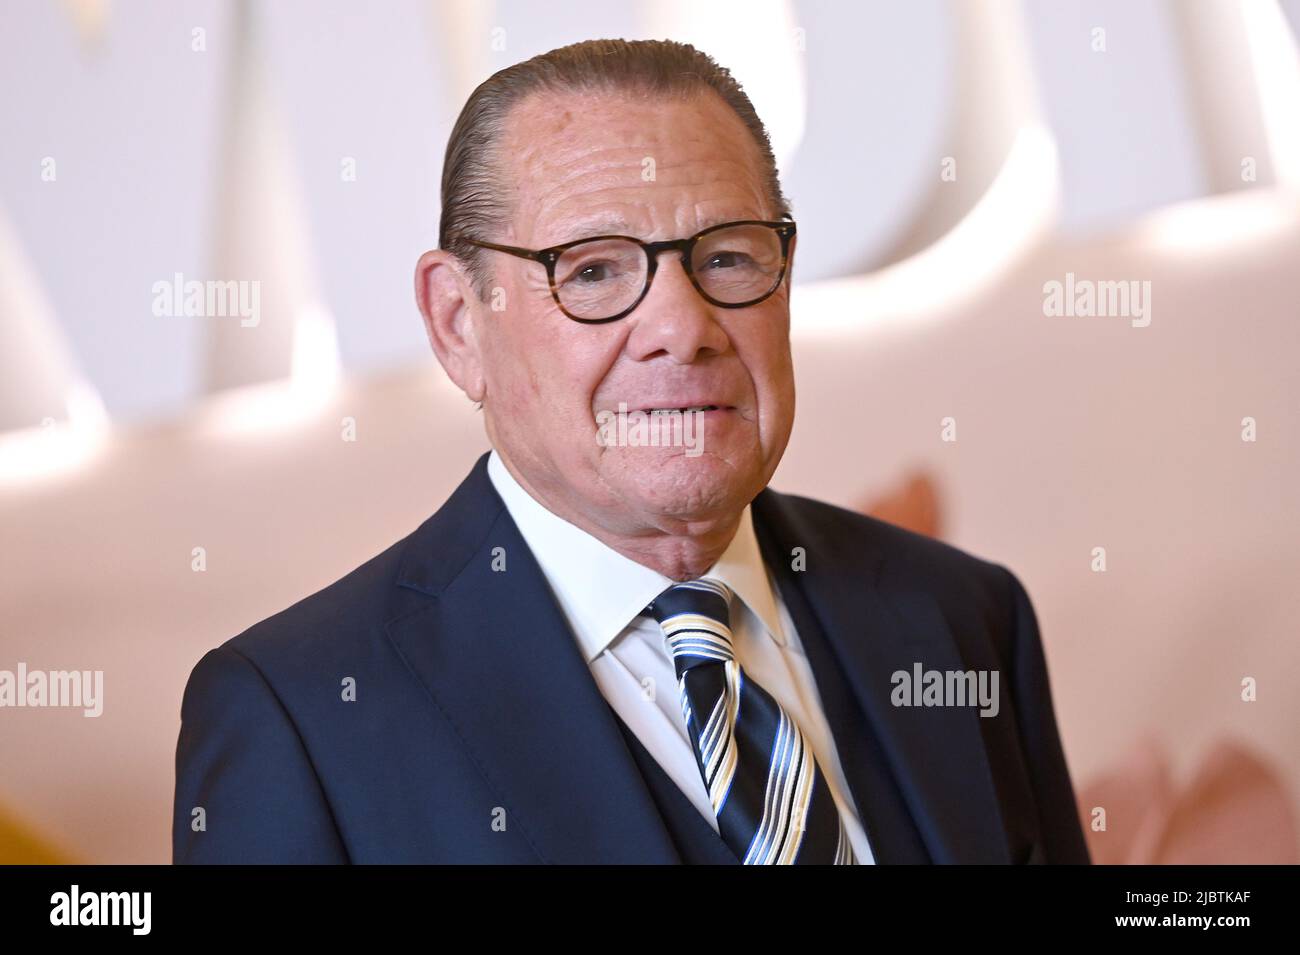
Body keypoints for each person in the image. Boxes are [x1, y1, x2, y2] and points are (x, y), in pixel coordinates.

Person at [173, 38, 1090, 865]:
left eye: (727, 257)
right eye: (596, 271)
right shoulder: (301, 717)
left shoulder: (965, 617)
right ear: (459, 324)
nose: (682, 329)